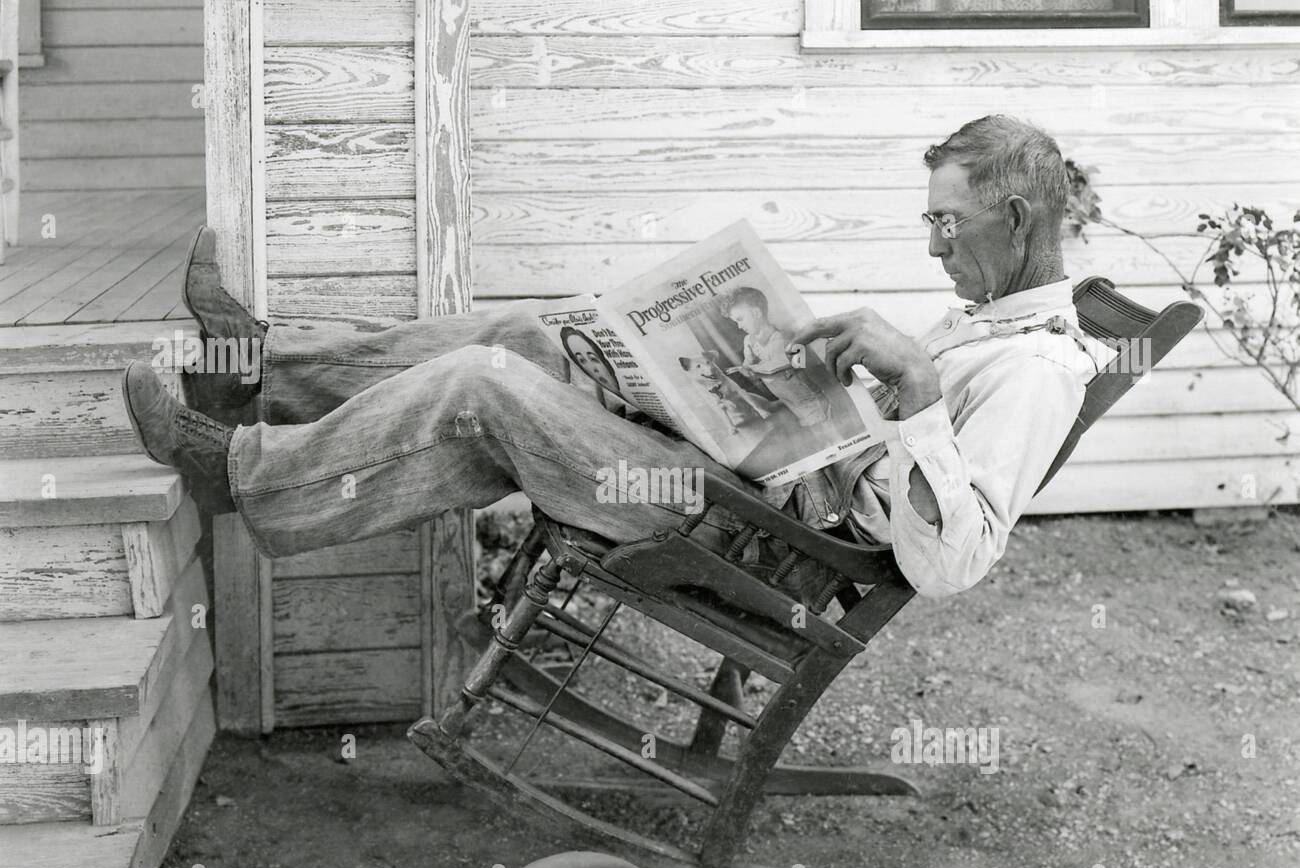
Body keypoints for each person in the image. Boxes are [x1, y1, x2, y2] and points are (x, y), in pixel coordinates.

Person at [123, 114, 1101, 599]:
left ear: (1015, 219)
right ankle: (251, 382)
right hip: (743, 476)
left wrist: (917, 385)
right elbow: (877, 446)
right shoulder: (986, 321)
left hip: (748, 536)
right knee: (522, 339)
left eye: (947, 222)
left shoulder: (1036, 371)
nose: (933, 244)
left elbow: (958, 558)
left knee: (481, 389)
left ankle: (242, 474)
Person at [722, 286, 829, 427]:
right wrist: (744, 367)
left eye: (740, 319)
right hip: (784, 395)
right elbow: (749, 362)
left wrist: (753, 369)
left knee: (822, 423)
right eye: (736, 322)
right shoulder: (748, 340)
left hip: (805, 394)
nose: (739, 326)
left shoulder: (780, 337)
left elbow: (780, 363)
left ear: (756, 313)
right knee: (807, 423)